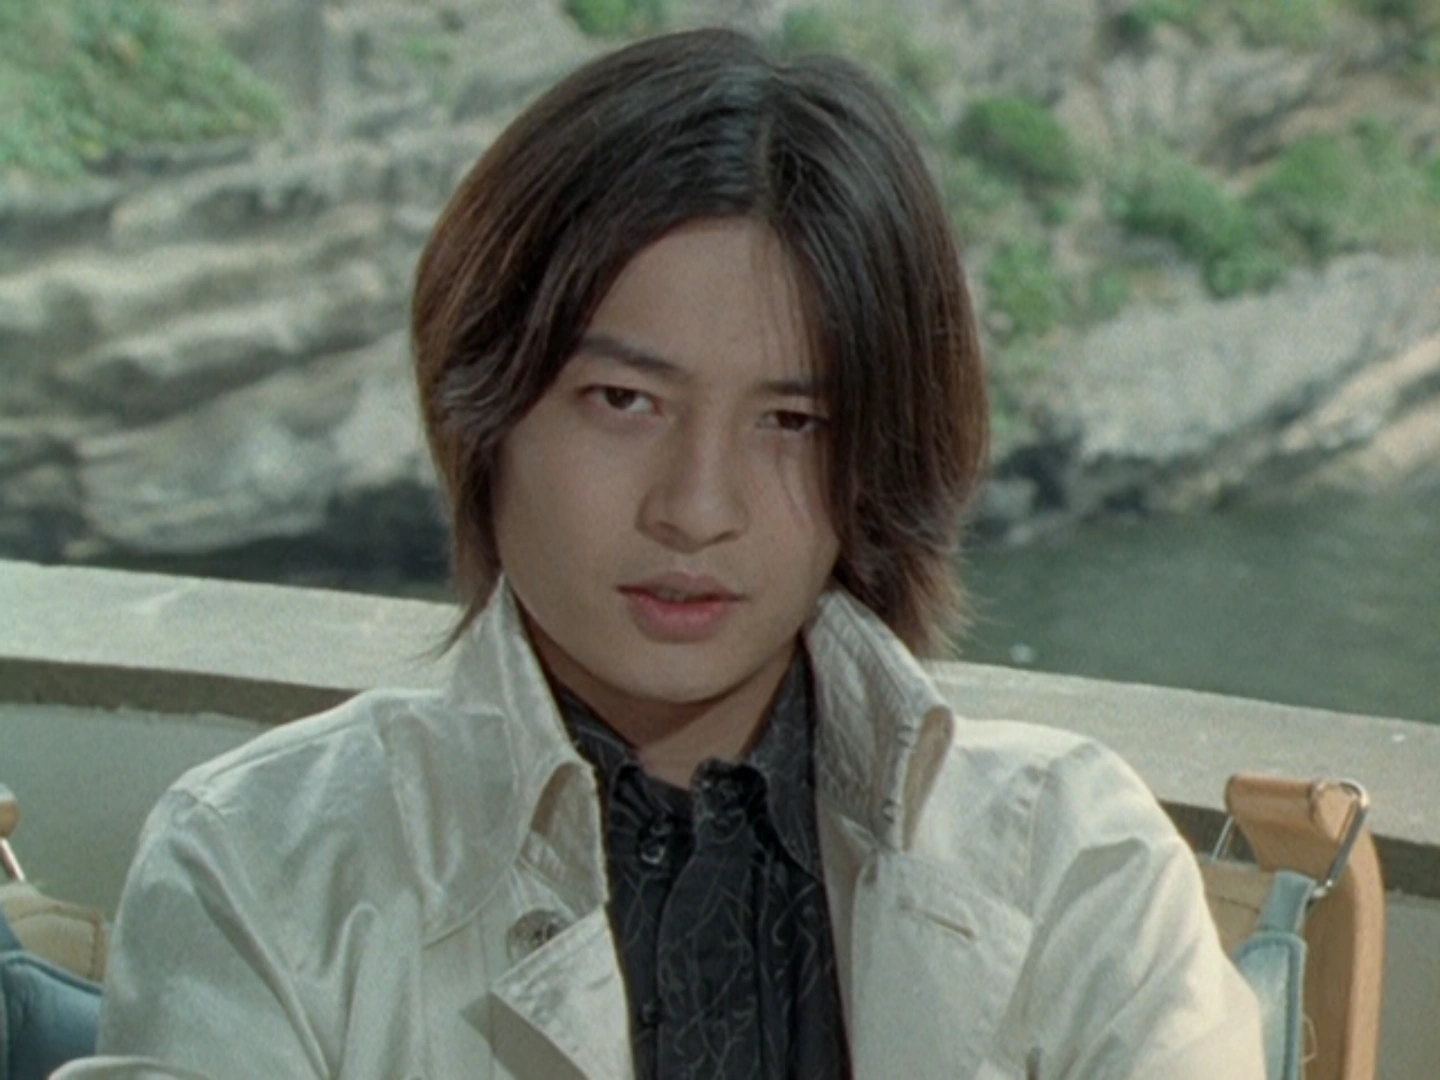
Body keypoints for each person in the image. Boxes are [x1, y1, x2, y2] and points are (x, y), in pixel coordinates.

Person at [59, 28, 1263, 1080]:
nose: (697, 509)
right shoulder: (265, 866)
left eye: (794, 422)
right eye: (624, 401)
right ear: (483, 408)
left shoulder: (1074, 864)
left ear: (880, 458)